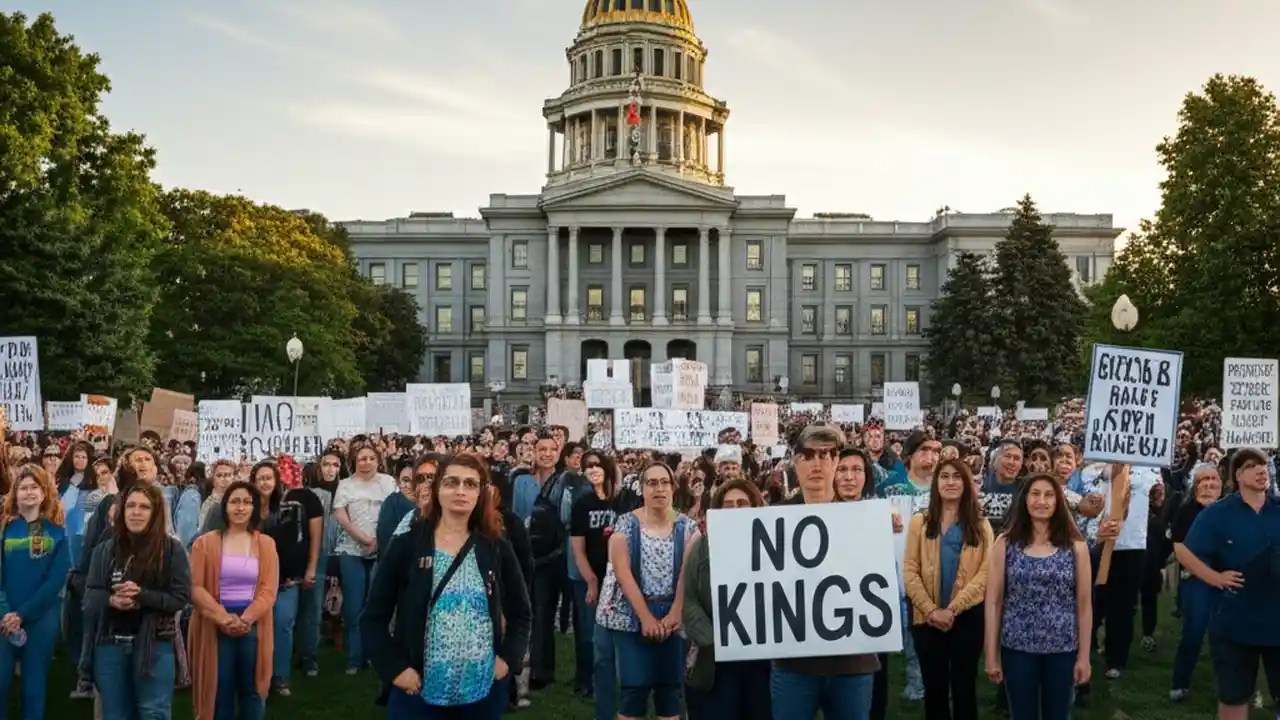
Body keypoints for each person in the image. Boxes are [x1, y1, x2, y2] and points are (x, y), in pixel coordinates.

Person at [362, 452, 531, 719]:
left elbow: (521, 611)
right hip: (417, 692)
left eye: (470, 484)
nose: (460, 491)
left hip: (482, 694)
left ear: (481, 493)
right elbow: (373, 617)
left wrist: (508, 659)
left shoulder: (495, 546)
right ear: (438, 488)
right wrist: (394, 669)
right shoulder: (408, 545)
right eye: (452, 482)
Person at [771, 424, 881, 720]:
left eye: (826, 455)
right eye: (808, 455)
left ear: (836, 461)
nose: (817, 463)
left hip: (851, 660)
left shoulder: (866, 518)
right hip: (793, 661)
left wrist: (886, 532)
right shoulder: (772, 519)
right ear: (795, 462)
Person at [1179, 448, 1280, 720]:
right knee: (1234, 697)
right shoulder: (1218, 514)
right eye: (1252, 466)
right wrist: (1215, 578)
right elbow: (1185, 552)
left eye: (1265, 465)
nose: (1261, 470)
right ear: (1238, 475)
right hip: (1233, 624)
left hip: (1277, 622)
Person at [984, 474, 1092, 720]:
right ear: (1024, 499)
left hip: (1062, 650)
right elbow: (993, 602)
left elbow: (1084, 605)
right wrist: (991, 653)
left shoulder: (1076, 547)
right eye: (1035, 494)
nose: (1041, 501)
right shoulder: (1005, 543)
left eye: (1048, 495)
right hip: (1017, 648)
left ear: (1058, 502)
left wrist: (1084, 656)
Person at [594, 460, 696, 720]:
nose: (658, 488)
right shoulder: (625, 524)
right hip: (630, 614)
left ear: (673, 487)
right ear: (642, 488)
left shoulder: (688, 527)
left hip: (673, 615)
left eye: (664, 482)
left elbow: (689, 571)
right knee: (634, 690)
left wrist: (676, 612)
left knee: (670, 691)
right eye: (652, 483)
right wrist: (646, 617)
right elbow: (622, 572)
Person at [83, 482, 192, 720]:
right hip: (110, 644)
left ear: (155, 513)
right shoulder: (104, 550)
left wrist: (141, 596)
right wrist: (112, 599)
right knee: (116, 715)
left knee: (153, 713)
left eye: (144, 507)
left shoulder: (171, 549)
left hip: (155, 646)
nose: (136, 512)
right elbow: (90, 595)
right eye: (130, 505)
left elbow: (181, 597)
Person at [903, 459, 993, 720]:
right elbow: (909, 570)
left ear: (966, 484)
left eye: (957, 477)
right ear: (936, 483)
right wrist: (932, 610)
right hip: (926, 620)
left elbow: (985, 574)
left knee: (965, 688)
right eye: (944, 476)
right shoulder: (920, 523)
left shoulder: (981, 525)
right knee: (934, 690)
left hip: (966, 619)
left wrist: (952, 609)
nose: (951, 482)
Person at [189, 481, 280, 720]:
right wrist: (223, 618)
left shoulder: (267, 545)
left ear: (255, 508)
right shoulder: (204, 543)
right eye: (235, 501)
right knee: (219, 690)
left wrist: (246, 619)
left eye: (247, 502)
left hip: (253, 625)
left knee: (253, 692)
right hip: (215, 624)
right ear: (225, 507)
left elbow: (269, 590)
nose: (241, 507)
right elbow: (195, 587)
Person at [683, 478, 772, 720]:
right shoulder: (702, 547)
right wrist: (714, 640)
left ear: (755, 507)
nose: (735, 510)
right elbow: (689, 600)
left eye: (742, 504)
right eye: (728, 505)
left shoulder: (775, 544)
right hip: (716, 660)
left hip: (762, 659)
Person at [0, 465, 71, 720]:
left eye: (34, 488)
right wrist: (7, 612)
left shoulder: (58, 533)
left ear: (44, 493)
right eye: (23, 488)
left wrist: (23, 613)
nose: (29, 493)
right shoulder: (5, 530)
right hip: (3, 618)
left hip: (41, 619)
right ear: (15, 493)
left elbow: (55, 581)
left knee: (34, 686)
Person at [332, 442, 396, 674]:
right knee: (354, 606)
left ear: (378, 460)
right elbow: (341, 514)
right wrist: (361, 537)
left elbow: (393, 511)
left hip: (381, 550)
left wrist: (378, 540)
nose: (366, 462)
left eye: (370, 458)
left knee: (375, 605)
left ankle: (373, 656)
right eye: (362, 458)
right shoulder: (345, 485)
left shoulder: (387, 482)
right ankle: (354, 658)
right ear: (354, 462)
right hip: (352, 550)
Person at [568, 451, 620, 710]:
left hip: (619, 577)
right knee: (588, 634)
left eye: (598, 465)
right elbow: (577, 549)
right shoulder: (582, 502)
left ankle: (614, 681)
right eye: (588, 466)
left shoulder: (622, 500)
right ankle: (586, 681)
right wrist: (591, 581)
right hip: (589, 576)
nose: (593, 469)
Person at [1169, 462, 1222, 702]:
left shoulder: (1229, 509)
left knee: (1227, 635)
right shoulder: (1186, 510)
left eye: (1214, 480)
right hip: (1196, 579)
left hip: (1228, 580)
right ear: (1195, 486)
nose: (1209, 485)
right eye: (1203, 480)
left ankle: (1230, 685)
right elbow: (1178, 547)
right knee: (1194, 631)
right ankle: (1179, 683)